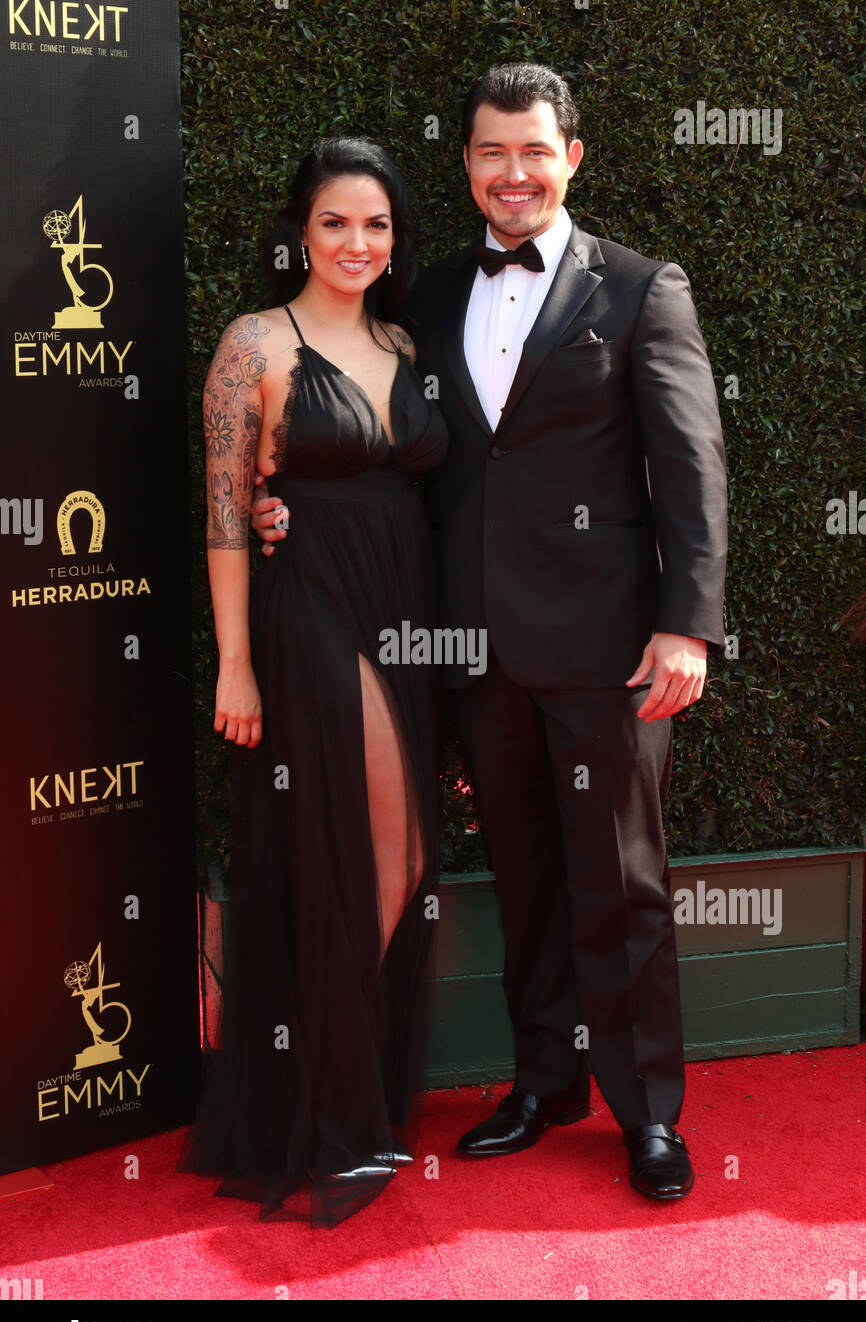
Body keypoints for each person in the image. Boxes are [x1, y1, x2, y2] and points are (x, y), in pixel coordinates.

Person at [252, 64, 728, 1201]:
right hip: (472, 647)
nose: (510, 173)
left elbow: (690, 465)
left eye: (531, 151)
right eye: (486, 153)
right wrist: (287, 508)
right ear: (464, 164)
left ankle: (646, 1111)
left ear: (572, 156)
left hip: (610, 647)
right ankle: (542, 1079)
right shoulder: (421, 298)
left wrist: (686, 627)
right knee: (523, 874)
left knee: (619, 881)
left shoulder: (637, 287)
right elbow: (389, 445)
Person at [177, 137, 448, 1228]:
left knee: (409, 856)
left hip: (407, 614)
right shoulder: (255, 344)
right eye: (334, 221)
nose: (355, 242)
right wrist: (235, 664)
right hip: (311, 619)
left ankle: (363, 1096)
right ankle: (329, 1113)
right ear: (299, 229)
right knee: (351, 852)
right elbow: (226, 515)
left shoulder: (403, 339)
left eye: (375, 223)